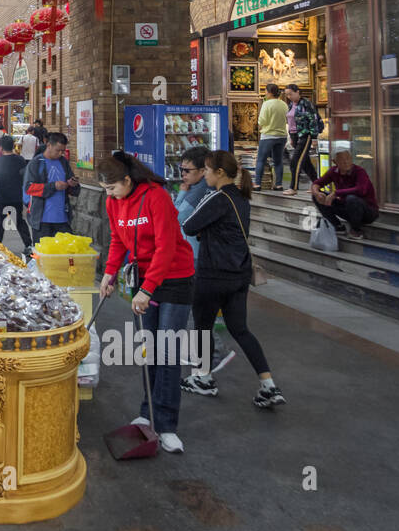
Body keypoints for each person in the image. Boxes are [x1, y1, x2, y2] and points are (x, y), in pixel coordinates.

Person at [97, 151, 195, 454]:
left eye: (113, 188)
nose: (110, 195)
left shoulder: (156, 196)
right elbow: (116, 238)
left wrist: (148, 289)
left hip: (175, 278)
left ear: (127, 179)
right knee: (149, 349)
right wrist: (109, 273)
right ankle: (147, 411)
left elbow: (167, 246)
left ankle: (166, 425)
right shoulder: (114, 202)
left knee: (167, 351)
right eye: (105, 191)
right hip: (144, 278)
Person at [180, 150, 285, 408]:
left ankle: (203, 378)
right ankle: (268, 384)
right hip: (239, 274)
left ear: (220, 173)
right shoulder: (241, 198)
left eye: (206, 170)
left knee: (202, 328)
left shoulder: (217, 197)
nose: (204, 174)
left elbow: (189, 225)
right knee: (240, 329)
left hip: (213, 274)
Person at [175, 145, 233, 376]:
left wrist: (180, 193)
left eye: (187, 170)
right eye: (181, 169)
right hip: (197, 255)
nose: (183, 175)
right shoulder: (199, 189)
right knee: (196, 309)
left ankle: (214, 354)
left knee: (195, 309)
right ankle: (204, 355)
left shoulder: (200, 191)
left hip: (197, 257)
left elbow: (178, 217)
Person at [312, 151, 379, 239]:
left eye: (348, 159)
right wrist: (317, 193)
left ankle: (356, 230)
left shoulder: (359, 171)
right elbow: (317, 183)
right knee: (317, 197)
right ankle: (338, 226)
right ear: (335, 162)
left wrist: (336, 193)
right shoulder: (334, 171)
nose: (346, 162)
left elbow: (360, 190)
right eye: (342, 160)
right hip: (348, 209)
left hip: (368, 212)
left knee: (351, 199)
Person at [25, 132, 75, 237]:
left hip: (62, 219)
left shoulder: (63, 162)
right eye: (58, 150)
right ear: (49, 145)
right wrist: (54, 186)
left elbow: (71, 182)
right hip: (42, 220)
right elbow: (29, 188)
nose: (61, 153)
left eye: (63, 151)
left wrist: (72, 183)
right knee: (43, 252)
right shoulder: (36, 163)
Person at [0, 134, 31, 254]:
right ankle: (28, 245)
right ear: (13, 146)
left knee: (0, 223)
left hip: (2, 196)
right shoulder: (20, 160)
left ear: (1, 148)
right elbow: (24, 176)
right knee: (19, 221)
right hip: (16, 196)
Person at [281, 84, 321, 196]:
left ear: (297, 92)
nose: (289, 96)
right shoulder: (290, 105)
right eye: (287, 94)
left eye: (291, 94)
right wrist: (291, 137)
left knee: (295, 161)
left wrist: (314, 137)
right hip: (295, 136)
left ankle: (293, 188)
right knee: (306, 163)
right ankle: (317, 185)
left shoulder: (306, 104)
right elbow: (290, 122)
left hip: (305, 135)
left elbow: (313, 120)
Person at [254, 83, 289, 191]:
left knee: (261, 160)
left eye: (265, 91)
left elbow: (262, 120)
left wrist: (259, 126)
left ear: (269, 92)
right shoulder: (284, 104)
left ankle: (257, 184)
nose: (265, 94)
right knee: (278, 161)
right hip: (282, 136)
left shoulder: (267, 104)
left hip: (268, 135)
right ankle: (278, 185)